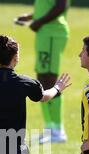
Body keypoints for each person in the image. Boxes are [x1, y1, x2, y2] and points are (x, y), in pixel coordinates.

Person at [15, 0, 71, 143]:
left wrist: (39, 22)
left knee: (50, 80)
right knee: (41, 81)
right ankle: (50, 129)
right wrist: (31, 17)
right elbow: (47, 7)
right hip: (44, 34)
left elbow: (60, 6)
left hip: (53, 33)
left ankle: (58, 131)